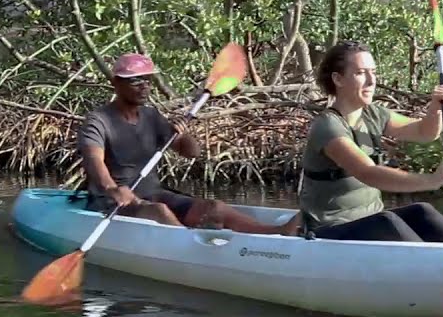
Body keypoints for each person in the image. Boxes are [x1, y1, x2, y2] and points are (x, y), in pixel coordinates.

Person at [78, 52, 300, 235]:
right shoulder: (98, 120)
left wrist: (183, 135)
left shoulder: (151, 116)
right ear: (116, 83)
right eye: (136, 80)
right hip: (111, 201)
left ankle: (276, 233)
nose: (144, 86)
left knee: (214, 208)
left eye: (148, 80)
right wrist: (112, 189)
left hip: (153, 193)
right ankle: (189, 245)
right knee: (160, 212)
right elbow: (94, 161)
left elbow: (192, 153)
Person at [298, 40, 443, 242]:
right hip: (329, 229)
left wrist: (436, 109)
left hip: (370, 221)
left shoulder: (374, 114)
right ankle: (439, 265)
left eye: (373, 72)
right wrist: (432, 181)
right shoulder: (328, 126)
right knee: (387, 221)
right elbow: (368, 173)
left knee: (422, 212)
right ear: (338, 79)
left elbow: (424, 132)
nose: (371, 81)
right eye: (360, 73)